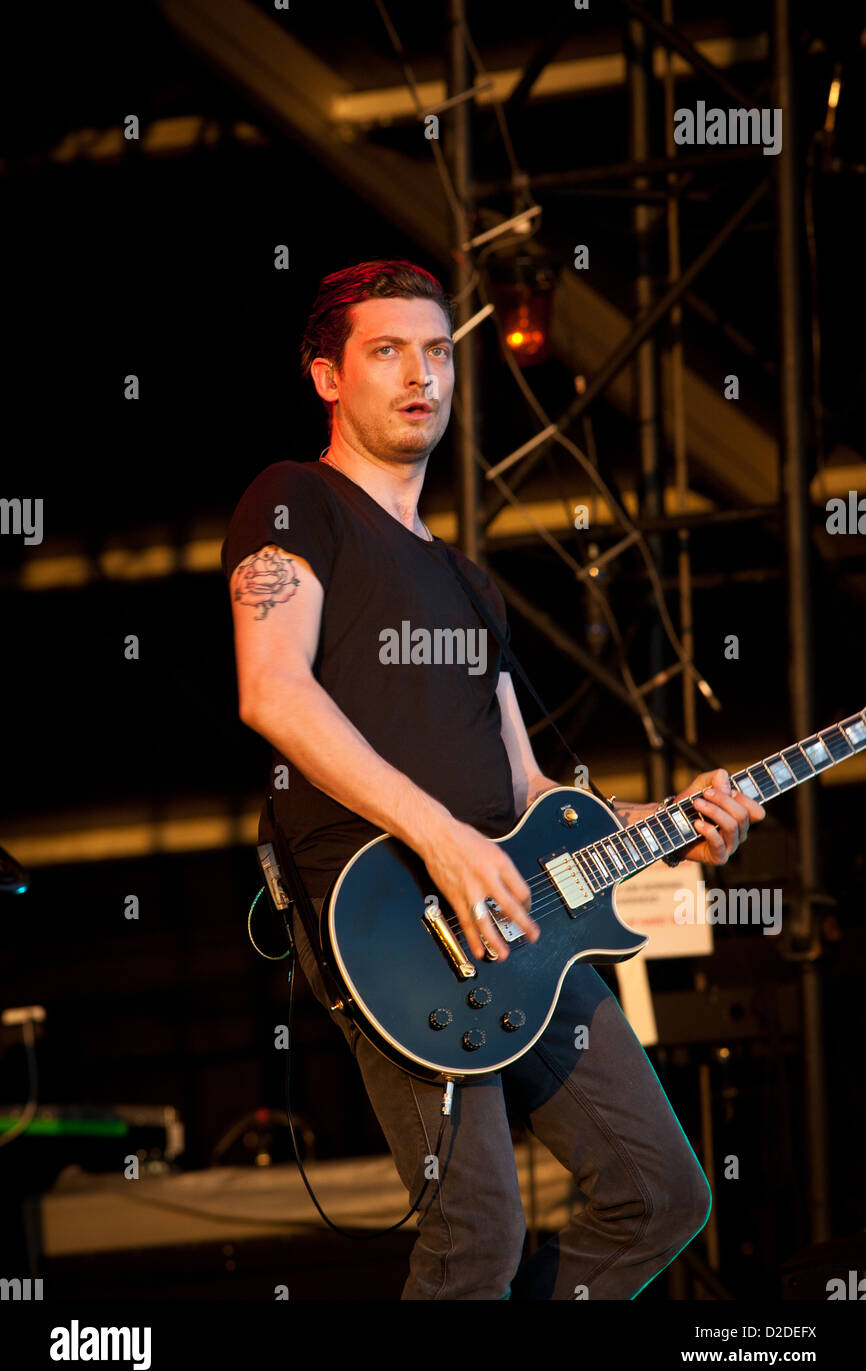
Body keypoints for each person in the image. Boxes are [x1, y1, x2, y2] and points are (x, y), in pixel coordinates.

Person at [221, 258, 765, 1300]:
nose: (419, 373)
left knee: (659, 1192)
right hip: (383, 913)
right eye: (386, 351)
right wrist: (439, 837)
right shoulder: (293, 500)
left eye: (436, 352)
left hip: (515, 913)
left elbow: (529, 797)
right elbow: (272, 692)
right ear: (327, 375)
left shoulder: (468, 580)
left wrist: (673, 819)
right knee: (480, 1228)